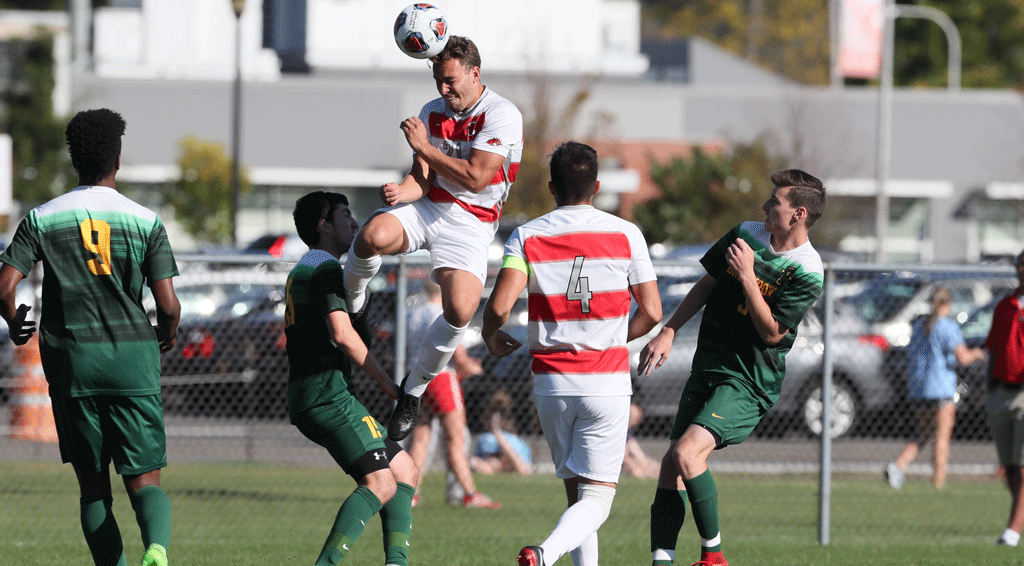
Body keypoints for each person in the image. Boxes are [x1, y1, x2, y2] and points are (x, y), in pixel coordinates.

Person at [0, 108, 181, 566]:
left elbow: (4, 285)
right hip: (132, 361)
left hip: (73, 363)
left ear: (74, 160)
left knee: (93, 487)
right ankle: (156, 549)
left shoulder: (42, 218)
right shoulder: (145, 221)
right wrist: (167, 333)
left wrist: (15, 319)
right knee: (144, 480)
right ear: (117, 159)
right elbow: (169, 305)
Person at [482, 141, 662, 566]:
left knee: (575, 498)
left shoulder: (527, 235)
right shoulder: (625, 233)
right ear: (596, 186)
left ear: (551, 187)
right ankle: (543, 555)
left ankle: (555, 555)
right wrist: (617, 338)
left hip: (551, 383)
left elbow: (499, 307)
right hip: (606, 381)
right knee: (597, 500)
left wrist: (491, 334)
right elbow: (652, 310)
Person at [341, 35, 524, 442]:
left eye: (451, 81)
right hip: (430, 208)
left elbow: (477, 179)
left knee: (459, 310)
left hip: (472, 222)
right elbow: (422, 177)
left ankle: (414, 390)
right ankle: (353, 302)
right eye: (439, 81)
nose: (444, 90)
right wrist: (402, 192)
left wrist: (423, 144)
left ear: (474, 74)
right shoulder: (433, 110)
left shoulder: (503, 114)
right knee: (372, 233)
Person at [641, 169, 827, 566]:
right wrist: (669, 330)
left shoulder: (808, 269)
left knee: (689, 454)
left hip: (748, 380)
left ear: (799, 214)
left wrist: (746, 276)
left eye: (774, 202)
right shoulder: (746, 232)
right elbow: (707, 283)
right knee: (671, 464)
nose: (764, 206)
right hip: (708, 367)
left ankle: (714, 558)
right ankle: (662, 561)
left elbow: (773, 333)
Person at [285, 191, 419, 565]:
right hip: (325, 394)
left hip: (318, 392)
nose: (355, 223)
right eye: (345, 215)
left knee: (404, 471)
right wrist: (387, 384)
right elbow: (342, 334)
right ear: (323, 225)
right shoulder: (324, 267)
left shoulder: (308, 266)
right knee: (380, 482)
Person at [404, 280, 501, 508]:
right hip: (440, 377)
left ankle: (410, 493)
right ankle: (469, 493)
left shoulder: (414, 314)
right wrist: (471, 366)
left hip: (416, 375)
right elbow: (457, 355)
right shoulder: (441, 312)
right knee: (456, 438)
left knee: (420, 437)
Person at [884, 286, 986, 490]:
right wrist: (978, 353)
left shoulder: (919, 325)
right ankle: (938, 483)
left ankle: (898, 466)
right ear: (947, 305)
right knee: (941, 438)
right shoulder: (947, 326)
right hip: (940, 389)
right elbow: (963, 357)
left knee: (924, 435)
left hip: (919, 388)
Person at [985, 250, 1024, 547]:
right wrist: (990, 392)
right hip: (1002, 392)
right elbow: (994, 350)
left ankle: (1012, 532)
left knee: (1023, 467)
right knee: (1010, 468)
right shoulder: (1005, 306)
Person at [470, 389, 534, 476]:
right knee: (473, 462)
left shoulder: (514, 442)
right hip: (492, 467)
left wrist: (497, 433)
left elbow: (524, 470)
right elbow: (476, 463)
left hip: (508, 465)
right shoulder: (485, 439)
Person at [622, 402, 661, 479]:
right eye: (631, 416)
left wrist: (645, 463)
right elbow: (623, 455)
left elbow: (634, 448)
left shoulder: (629, 430)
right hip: (619, 459)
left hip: (627, 456)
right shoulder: (619, 427)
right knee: (638, 471)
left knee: (656, 467)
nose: (636, 418)